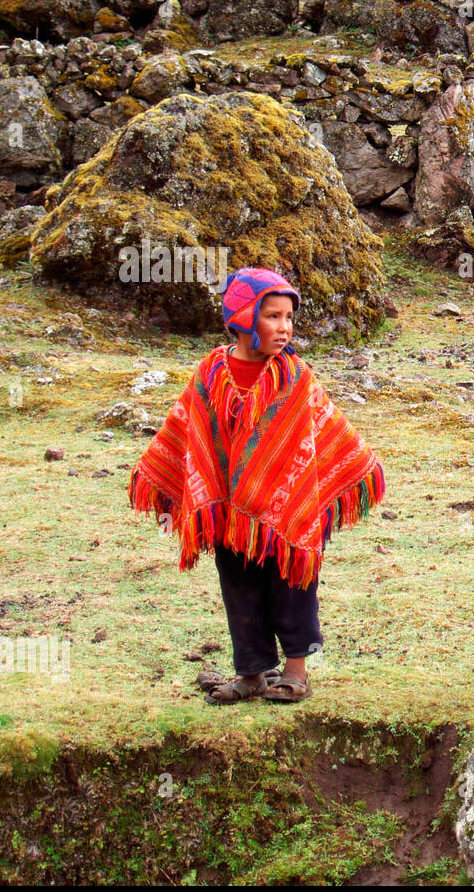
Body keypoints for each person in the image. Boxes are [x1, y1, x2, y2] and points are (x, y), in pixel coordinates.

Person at [129, 266, 385, 704]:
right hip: (229, 512)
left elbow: (323, 433)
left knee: (292, 585)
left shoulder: (295, 377)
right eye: (272, 316)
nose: (284, 328)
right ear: (244, 317)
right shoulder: (210, 374)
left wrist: (342, 473)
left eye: (289, 318)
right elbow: (187, 434)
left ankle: (296, 671)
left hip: (290, 511)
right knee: (239, 587)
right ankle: (251, 673)